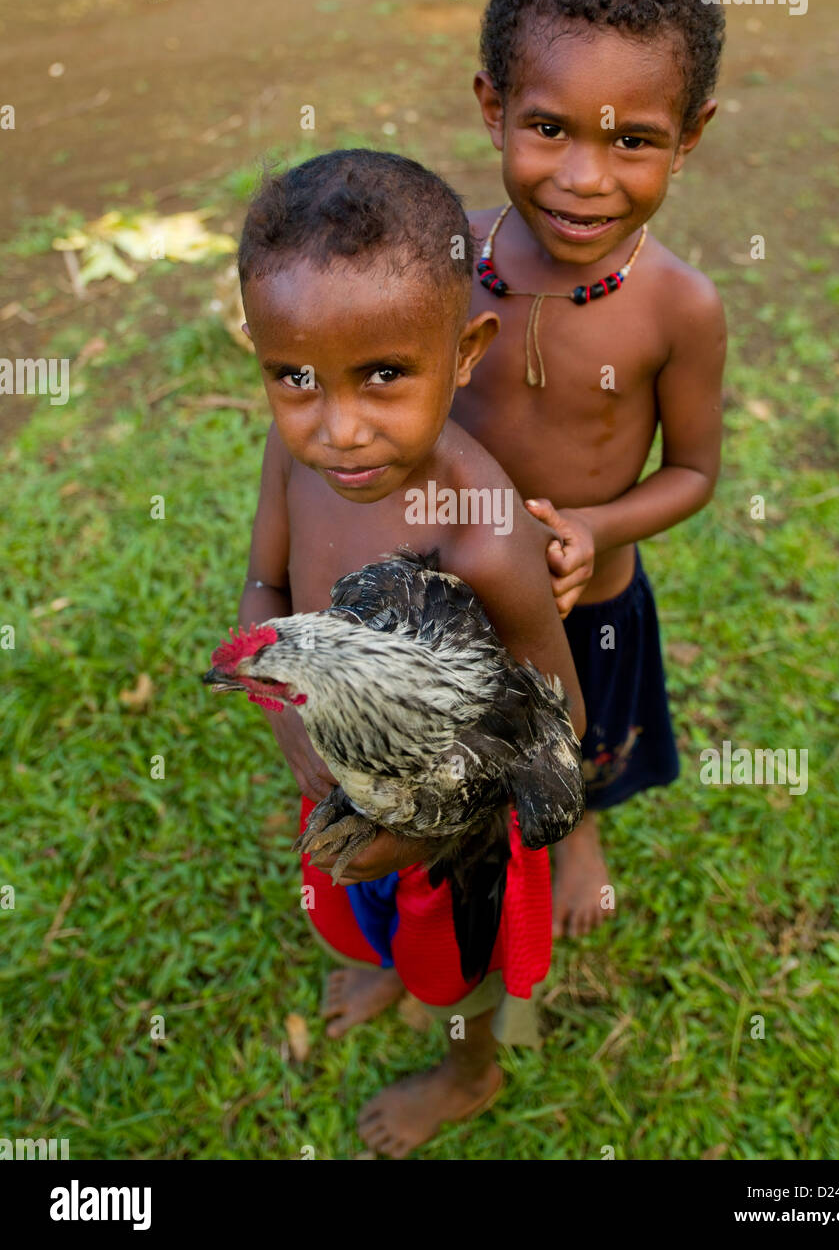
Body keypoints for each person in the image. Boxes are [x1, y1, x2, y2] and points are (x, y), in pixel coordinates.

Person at [235, 148, 586, 1158]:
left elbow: (557, 742)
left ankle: (464, 1071)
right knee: (365, 915)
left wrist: (427, 831)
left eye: (384, 375)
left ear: (466, 348)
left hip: (457, 838)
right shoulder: (294, 457)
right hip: (341, 782)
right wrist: (287, 709)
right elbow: (265, 588)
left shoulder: (478, 537)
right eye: (294, 377)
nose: (338, 427)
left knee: (461, 973)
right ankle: (389, 964)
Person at [451, 0, 728, 936]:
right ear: (493, 108)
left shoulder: (676, 308)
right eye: (550, 128)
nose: (582, 178)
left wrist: (596, 529)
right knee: (467, 752)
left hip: (591, 599)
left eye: (633, 140)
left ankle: (579, 834)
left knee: (580, 743)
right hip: (460, 584)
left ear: (687, 136)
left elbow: (693, 472)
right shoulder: (444, 265)